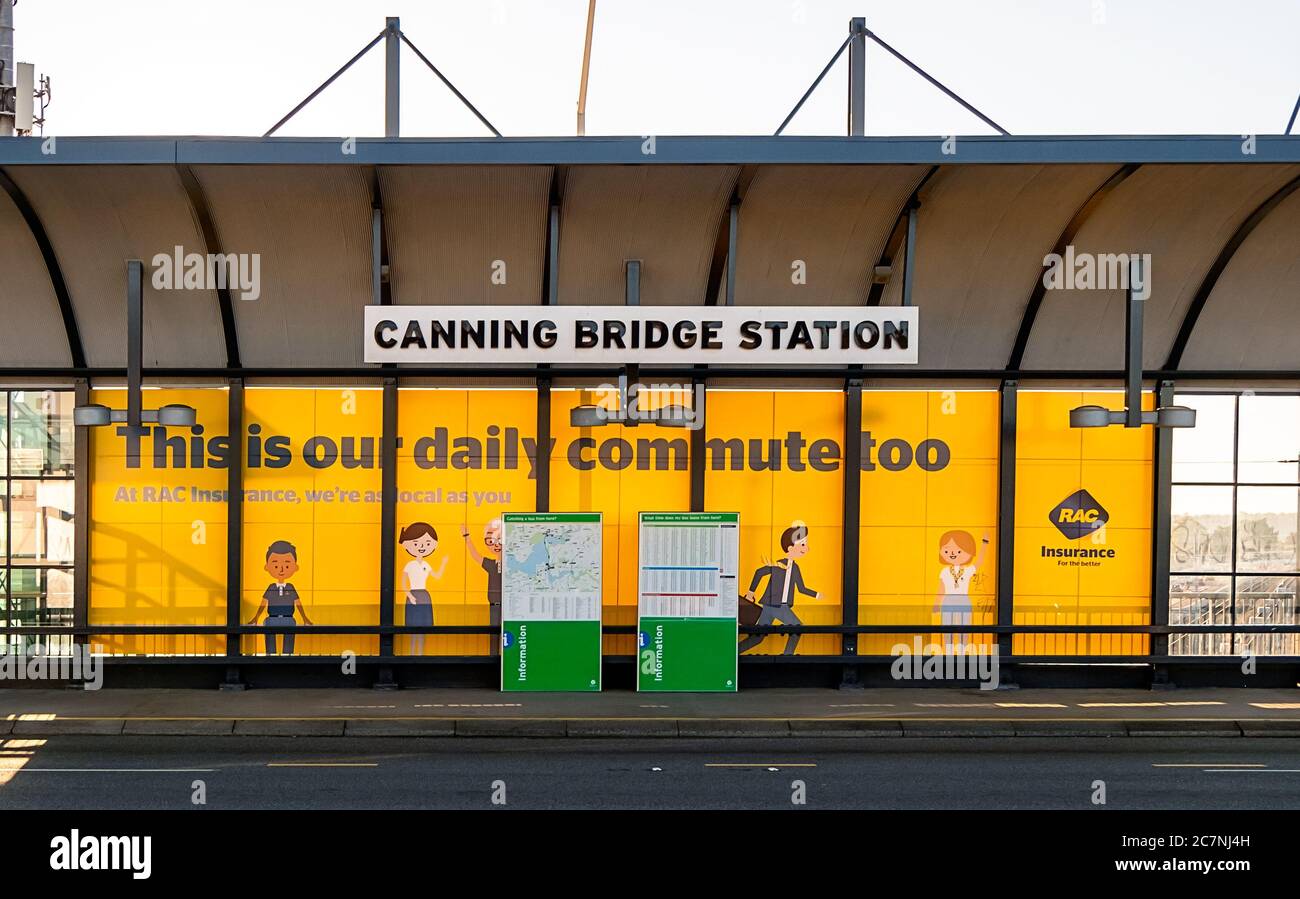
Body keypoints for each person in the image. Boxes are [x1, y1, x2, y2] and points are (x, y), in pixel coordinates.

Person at [738, 521, 820, 656]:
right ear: (790, 548)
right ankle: (788, 655)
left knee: (758, 636)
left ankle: (733, 652)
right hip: (776, 606)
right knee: (797, 628)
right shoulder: (779, 565)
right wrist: (750, 592)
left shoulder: (795, 567)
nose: (807, 548)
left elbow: (801, 588)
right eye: (803, 544)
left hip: (774, 606)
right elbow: (759, 572)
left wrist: (816, 595)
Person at [247, 540, 312, 655]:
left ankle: (288, 656)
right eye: (276, 565)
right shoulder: (271, 587)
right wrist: (255, 618)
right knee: (268, 630)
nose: (281, 569)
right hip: (272, 618)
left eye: (286, 565)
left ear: (295, 567)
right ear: (267, 566)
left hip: (288, 618)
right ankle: (270, 656)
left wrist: (305, 618)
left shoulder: (290, 587)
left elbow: (298, 603)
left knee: (289, 635)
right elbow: (263, 603)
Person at [933, 529, 991, 652]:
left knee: (964, 628)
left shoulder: (968, 570)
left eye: (959, 551)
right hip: (948, 600)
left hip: (963, 600)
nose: (953, 553)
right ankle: (948, 653)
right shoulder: (944, 571)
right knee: (947, 627)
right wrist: (936, 604)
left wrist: (985, 543)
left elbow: (979, 561)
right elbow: (941, 588)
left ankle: (962, 652)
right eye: (947, 550)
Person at [400, 522, 448, 656]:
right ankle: (411, 654)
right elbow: (403, 583)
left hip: (424, 595)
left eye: (427, 543)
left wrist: (443, 564)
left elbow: (437, 576)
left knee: (422, 630)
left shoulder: (426, 564)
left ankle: (419, 654)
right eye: (416, 543)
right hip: (414, 595)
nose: (421, 547)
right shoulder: (410, 565)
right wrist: (409, 596)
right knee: (412, 630)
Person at [460, 519, 502, 656]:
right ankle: (494, 655)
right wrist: (467, 538)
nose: (496, 544)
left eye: (500, 539)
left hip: (510, 606)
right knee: (494, 633)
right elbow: (475, 555)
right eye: (491, 541)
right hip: (494, 604)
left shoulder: (512, 562)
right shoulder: (490, 564)